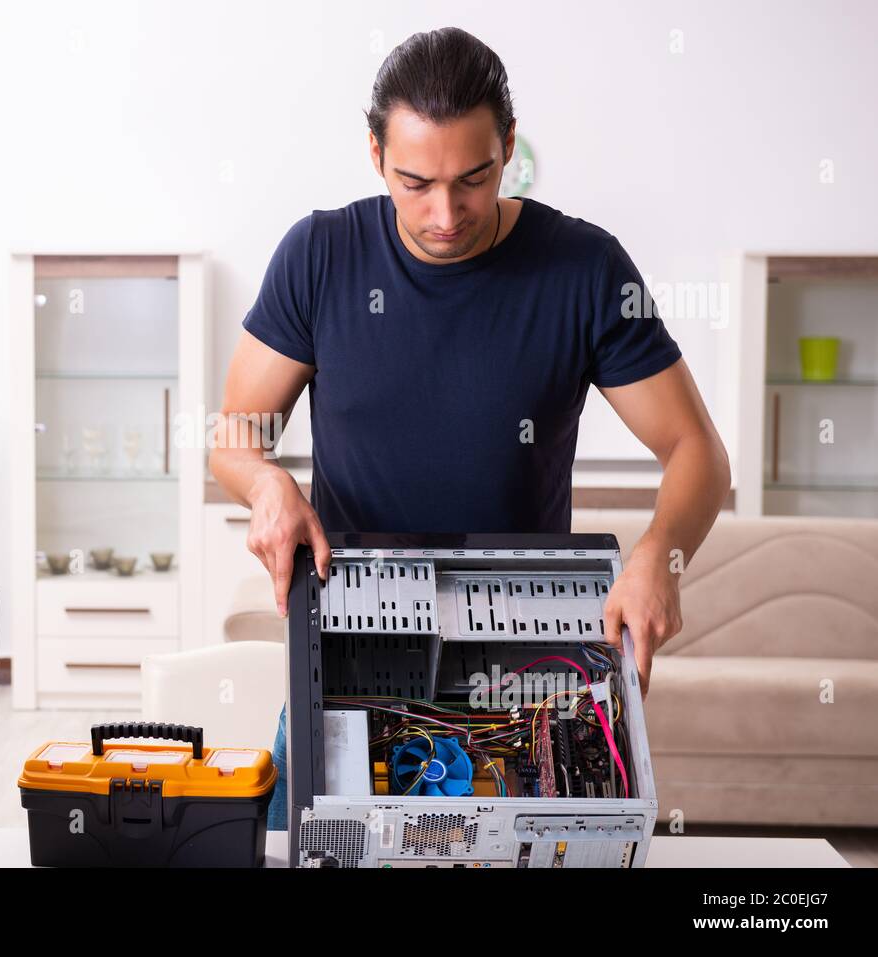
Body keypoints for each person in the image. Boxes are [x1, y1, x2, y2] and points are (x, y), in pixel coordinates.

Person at [207, 27, 731, 832]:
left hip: (524, 687)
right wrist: (267, 481)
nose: (444, 214)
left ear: (509, 149)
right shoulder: (319, 256)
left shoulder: (585, 269)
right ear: (375, 154)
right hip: (345, 653)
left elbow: (696, 450)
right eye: (415, 182)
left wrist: (661, 554)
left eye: (473, 180)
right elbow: (233, 436)